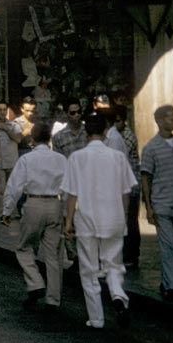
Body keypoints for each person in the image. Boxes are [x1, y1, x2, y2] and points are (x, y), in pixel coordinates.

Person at [62, 113, 136, 329]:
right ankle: (118, 296)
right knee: (114, 264)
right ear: (105, 131)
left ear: (86, 133)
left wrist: (68, 222)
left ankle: (96, 318)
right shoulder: (118, 157)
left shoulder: (77, 157)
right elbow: (126, 192)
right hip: (114, 217)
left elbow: (71, 194)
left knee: (89, 269)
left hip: (87, 218)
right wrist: (124, 216)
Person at [1, 122, 68, 311]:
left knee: (24, 247)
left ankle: (35, 282)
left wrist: (7, 210)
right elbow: (68, 187)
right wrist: (67, 214)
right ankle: (53, 299)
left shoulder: (27, 159)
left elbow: (14, 187)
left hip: (33, 204)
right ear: (49, 138)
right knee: (53, 255)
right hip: (55, 204)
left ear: (32, 139)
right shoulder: (61, 159)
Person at [141, 104, 173, 300]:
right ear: (160, 121)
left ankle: (168, 282)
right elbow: (146, 178)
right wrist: (148, 207)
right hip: (162, 204)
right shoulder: (151, 148)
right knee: (168, 245)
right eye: (171, 118)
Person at [105, 106, 141, 271]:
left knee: (130, 222)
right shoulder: (117, 135)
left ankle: (131, 256)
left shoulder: (123, 137)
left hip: (129, 185)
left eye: (119, 121)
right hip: (126, 184)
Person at [0, 101, 22, 200]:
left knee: (12, 191)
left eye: (4, 110)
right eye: (0, 110)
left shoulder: (14, 125)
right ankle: (1, 209)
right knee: (1, 191)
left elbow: (18, 139)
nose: (2, 112)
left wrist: (6, 128)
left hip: (12, 162)